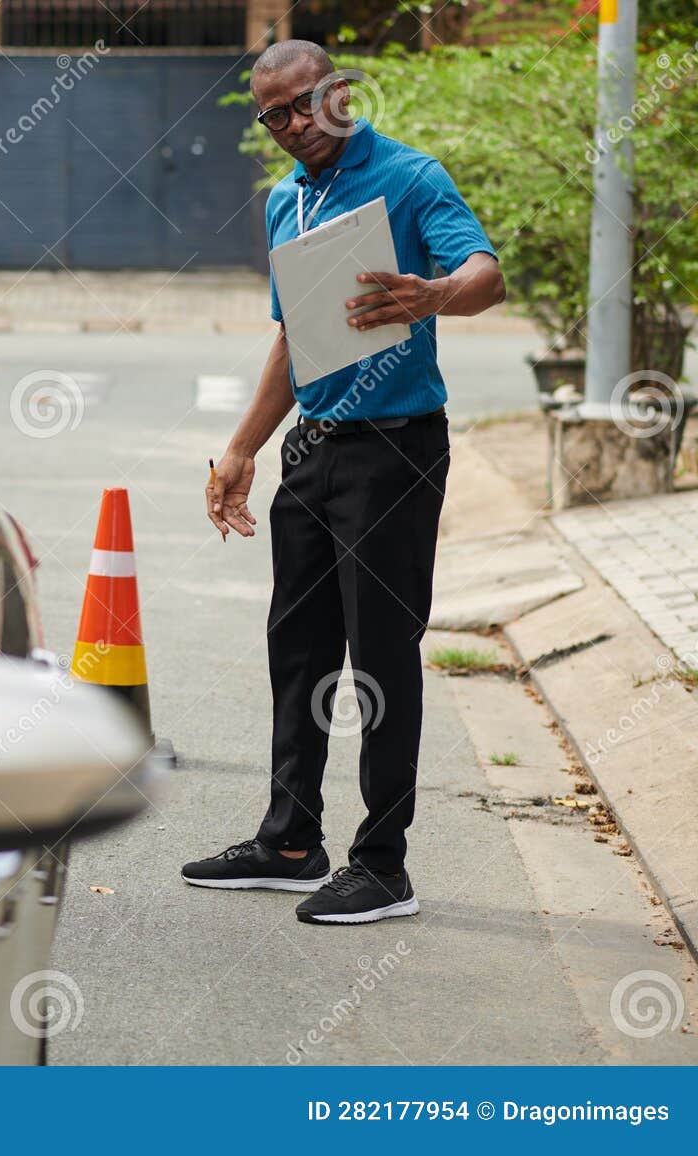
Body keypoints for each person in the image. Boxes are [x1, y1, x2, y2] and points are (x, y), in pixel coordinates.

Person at [180, 39, 506, 925]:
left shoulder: (409, 178)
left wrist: (433, 295)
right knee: (301, 651)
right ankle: (290, 842)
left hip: (394, 451)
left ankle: (383, 865)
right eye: (272, 115)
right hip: (313, 453)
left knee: (380, 661)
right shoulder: (287, 199)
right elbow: (296, 338)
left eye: (303, 105)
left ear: (341, 93)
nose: (291, 126)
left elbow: (485, 274)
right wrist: (245, 447)